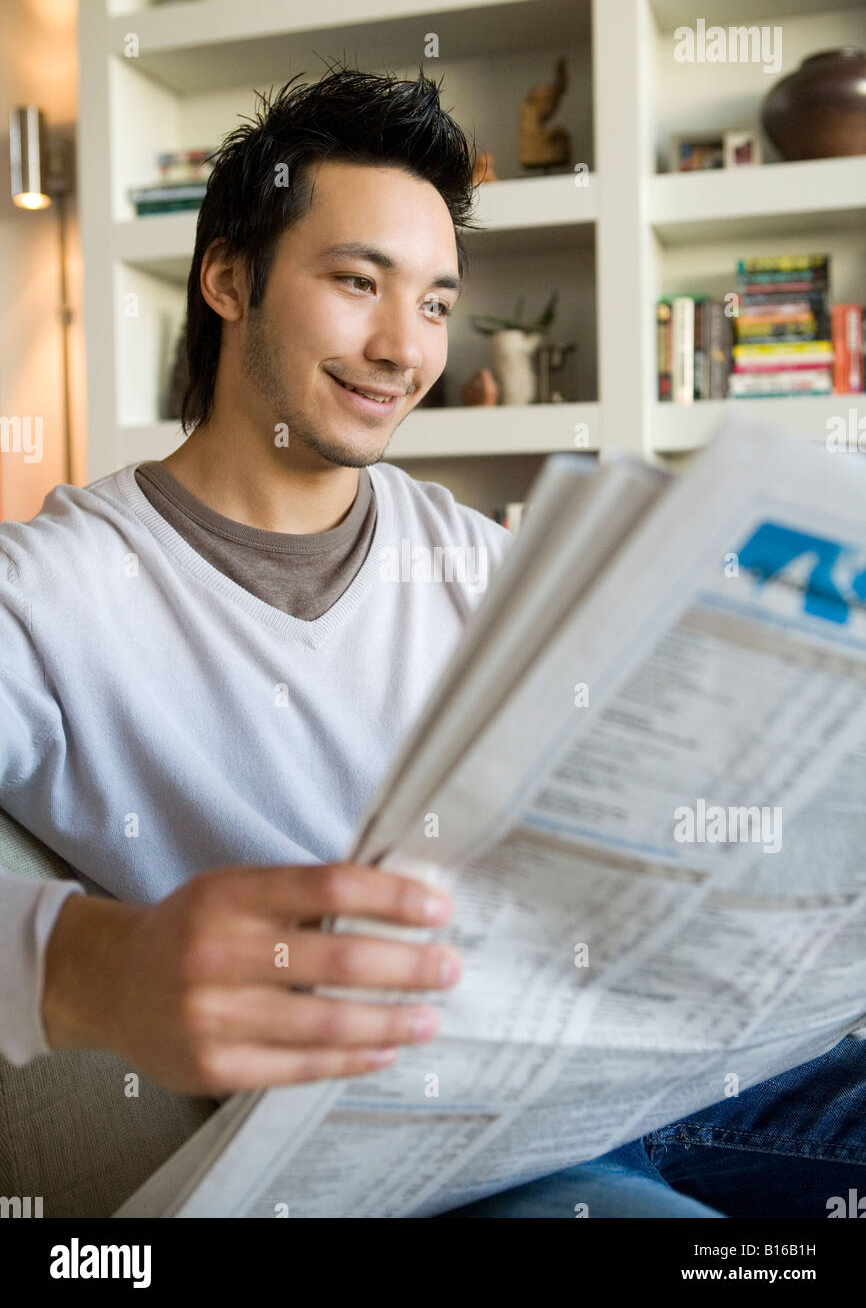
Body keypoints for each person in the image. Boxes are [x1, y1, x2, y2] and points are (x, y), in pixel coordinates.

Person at [1, 65, 862, 1219]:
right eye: (358, 282)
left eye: (435, 303)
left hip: (647, 1072)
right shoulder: (52, 591)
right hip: (439, 1151)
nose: (403, 349)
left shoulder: (479, 557)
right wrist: (83, 966)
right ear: (225, 279)